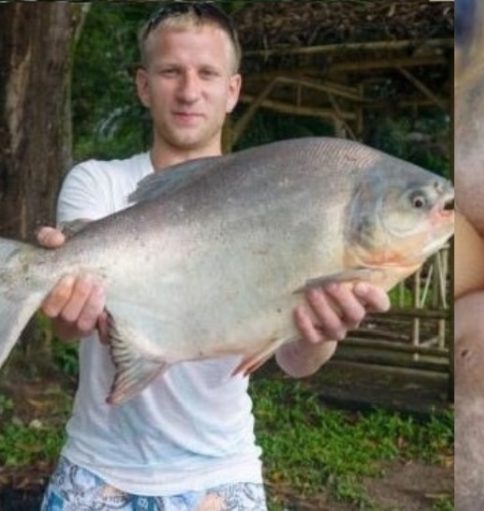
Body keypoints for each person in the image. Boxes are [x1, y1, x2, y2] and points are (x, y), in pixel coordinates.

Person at [37, 4, 390, 510]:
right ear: (143, 85)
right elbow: (71, 325)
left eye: (207, 73)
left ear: (233, 90)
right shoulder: (98, 182)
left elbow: (296, 361)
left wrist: (324, 330)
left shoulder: (274, 199)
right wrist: (60, 298)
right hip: (97, 467)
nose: (188, 91)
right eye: (170, 72)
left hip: (220, 475)